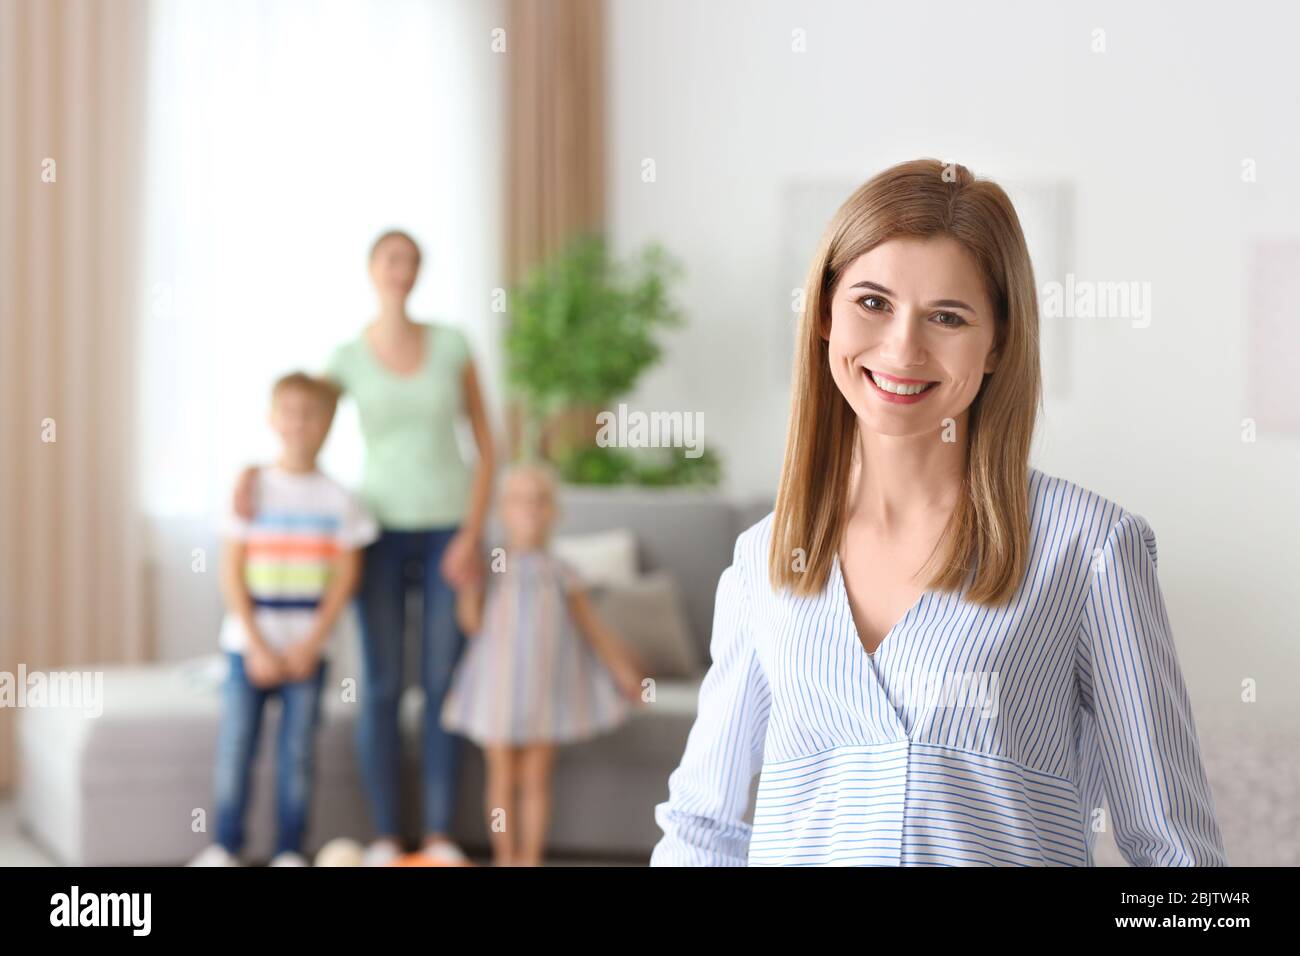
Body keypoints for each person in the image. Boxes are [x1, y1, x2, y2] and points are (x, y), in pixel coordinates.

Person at [650, 158, 1228, 867]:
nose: (902, 347)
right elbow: (702, 827)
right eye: (872, 302)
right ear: (825, 313)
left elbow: (1176, 853)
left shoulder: (1091, 549)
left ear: (999, 343)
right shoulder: (763, 560)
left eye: (947, 317)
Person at [233, 229, 496, 866]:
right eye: (390, 259)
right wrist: (255, 471)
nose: (401, 270)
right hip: (376, 530)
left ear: (420, 271)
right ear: (373, 270)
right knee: (381, 685)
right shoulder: (348, 356)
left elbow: (488, 446)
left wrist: (472, 534)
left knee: (441, 681)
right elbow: (303, 419)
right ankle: (386, 837)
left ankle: (438, 836)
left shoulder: (453, 345)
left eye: (411, 260)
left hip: (449, 532)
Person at [191, 372, 379, 867]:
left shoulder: (341, 499)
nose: (299, 423)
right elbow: (231, 573)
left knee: (297, 753)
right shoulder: (250, 491)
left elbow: (346, 579)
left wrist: (312, 644)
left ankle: (290, 851)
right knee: (236, 747)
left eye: (311, 414)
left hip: (307, 652)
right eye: (289, 412)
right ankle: (225, 847)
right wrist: (256, 645)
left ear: (328, 423)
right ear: (272, 419)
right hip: (247, 647)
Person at [441, 462, 646, 866]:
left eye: (539, 501)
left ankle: (530, 858)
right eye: (519, 500)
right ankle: (505, 856)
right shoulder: (493, 565)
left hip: (545, 691)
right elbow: (472, 622)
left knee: (536, 780)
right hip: (498, 689)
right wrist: (468, 585)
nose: (530, 509)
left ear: (554, 511)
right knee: (502, 778)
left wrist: (627, 674)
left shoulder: (562, 572)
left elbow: (593, 629)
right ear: (502, 510)